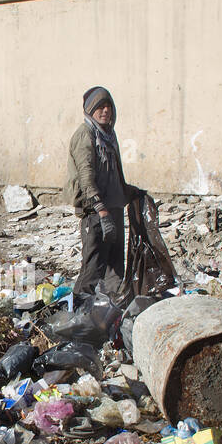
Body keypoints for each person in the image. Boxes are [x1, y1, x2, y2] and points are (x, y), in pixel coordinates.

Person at [67, 86, 136, 296]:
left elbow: (114, 174)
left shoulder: (108, 135)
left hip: (113, 208)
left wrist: (132, 193)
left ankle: (112, 311)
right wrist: (101, 210)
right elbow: (86, 177)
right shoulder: (85, 135)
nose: (105, 111)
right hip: (96, 212)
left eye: (108, 107)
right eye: (100, 107)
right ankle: (77, 312)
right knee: (93, 267)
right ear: (90, 109)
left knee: (115, 265)